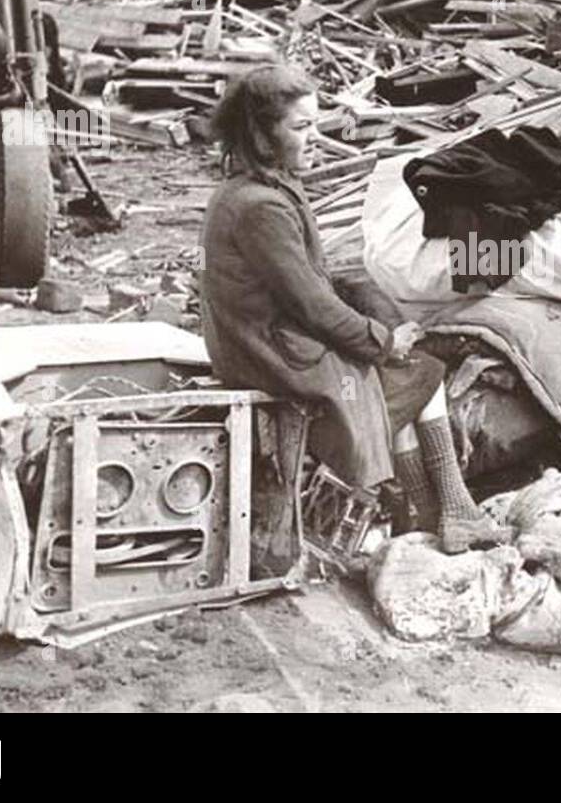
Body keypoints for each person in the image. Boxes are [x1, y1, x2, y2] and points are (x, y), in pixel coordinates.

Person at [198, 63, 511, 555]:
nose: (315, 137)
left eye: (315, 124)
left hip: (259, 335)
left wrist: (372, 315)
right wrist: (383, 339)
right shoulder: (260, 206)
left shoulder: (260, 188)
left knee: (402, 371)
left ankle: (426, 512)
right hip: (267, 351)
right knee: (416, 371)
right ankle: (450, 507)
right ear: (262, 135)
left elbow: (307, 284)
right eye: (301, 127)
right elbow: (311, 303)